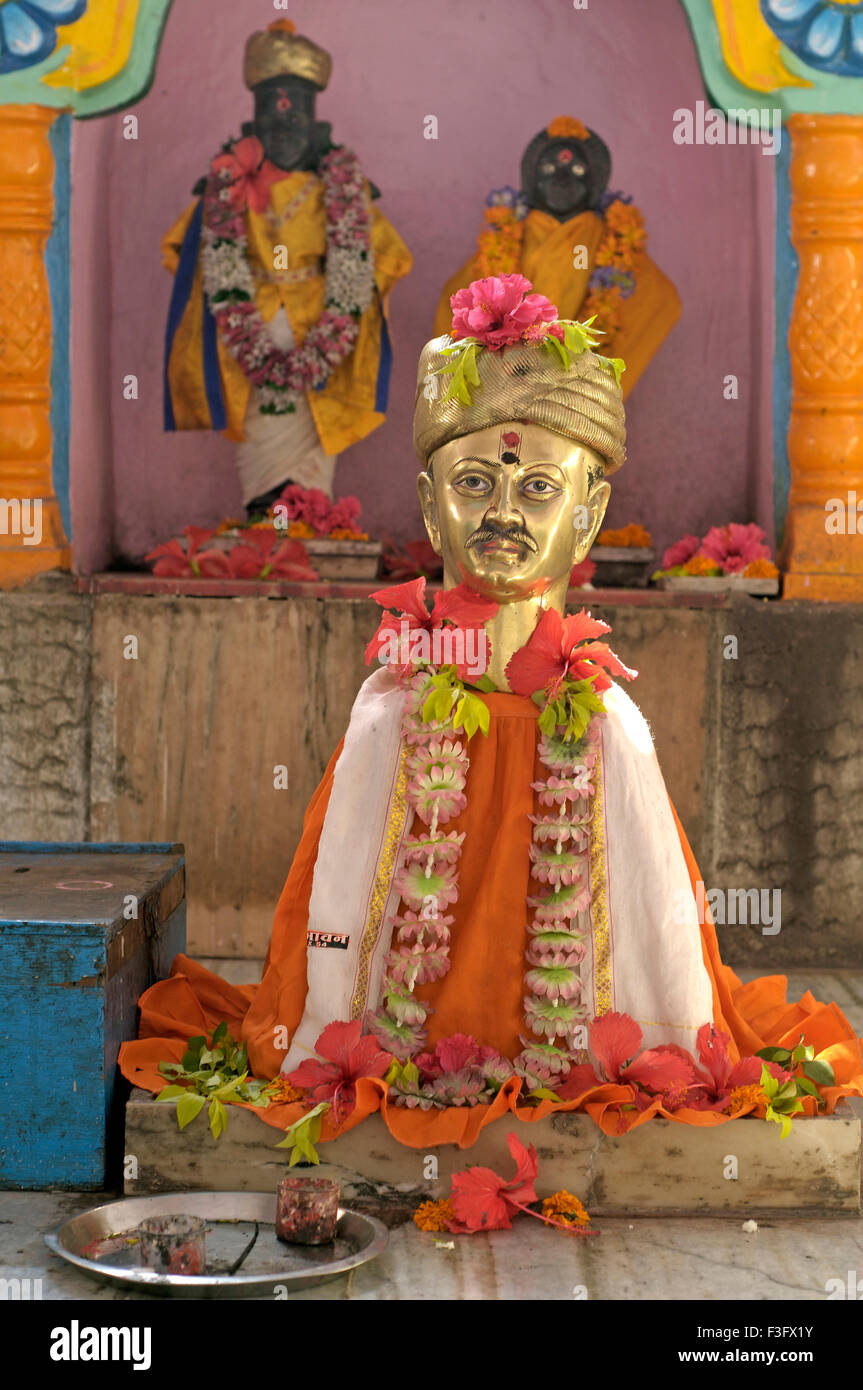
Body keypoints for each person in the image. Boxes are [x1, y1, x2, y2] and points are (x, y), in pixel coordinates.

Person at [123, 275, 862, 1142]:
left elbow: (653, 947)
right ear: (431, 510)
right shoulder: (390, 713)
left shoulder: (607, 724)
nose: (503, 512)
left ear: (588, 520)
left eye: (539, 489)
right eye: (474, 482)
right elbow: (335, 911)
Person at [162, 19, 412, 514]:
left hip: (321, 328)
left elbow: (390, 256)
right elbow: (180, 252)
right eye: (273, 123)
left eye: (295, 121)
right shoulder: (224, 187)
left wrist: (347, 300)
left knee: (314, 428)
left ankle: (311, 522)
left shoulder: (341, 188)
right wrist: (229, 293)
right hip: (249, 328)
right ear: (254, 126)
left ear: (314, 124)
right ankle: (264, 522)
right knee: (259, 426)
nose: (284, 131)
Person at [433, 117, 680, 398]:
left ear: (594, 183)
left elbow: (661, 299)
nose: (562, 180)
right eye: (549, 168)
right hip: (505, 392)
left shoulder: (608, 240)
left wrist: (593, 370)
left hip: (574, 400)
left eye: (576, 170)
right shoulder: (509, 234)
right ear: (532, 179)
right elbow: (457, 301)